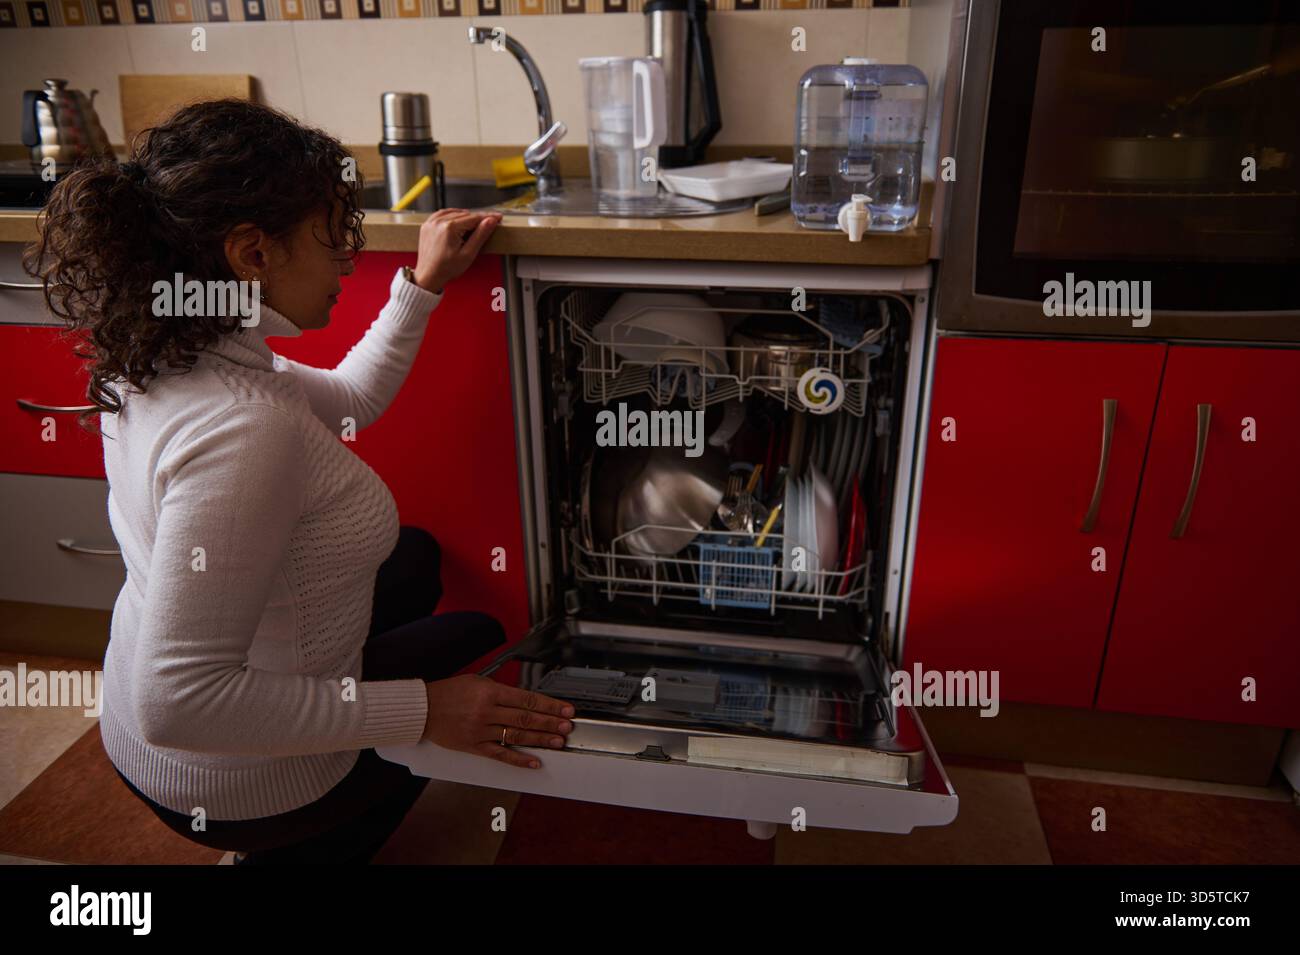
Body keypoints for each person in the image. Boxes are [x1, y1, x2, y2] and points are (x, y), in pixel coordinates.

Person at [25, 99, 574, 864]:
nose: (347, 258)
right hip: (230, 781)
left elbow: (350, 401)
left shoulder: (177, 346)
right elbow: (180, 701)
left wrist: (422, 283)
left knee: (409, 557)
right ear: (252, 252)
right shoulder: (242, 432)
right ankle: (304, 840)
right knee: (475, 644)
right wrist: (422, 710)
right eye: (330, 233)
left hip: (142, 732)